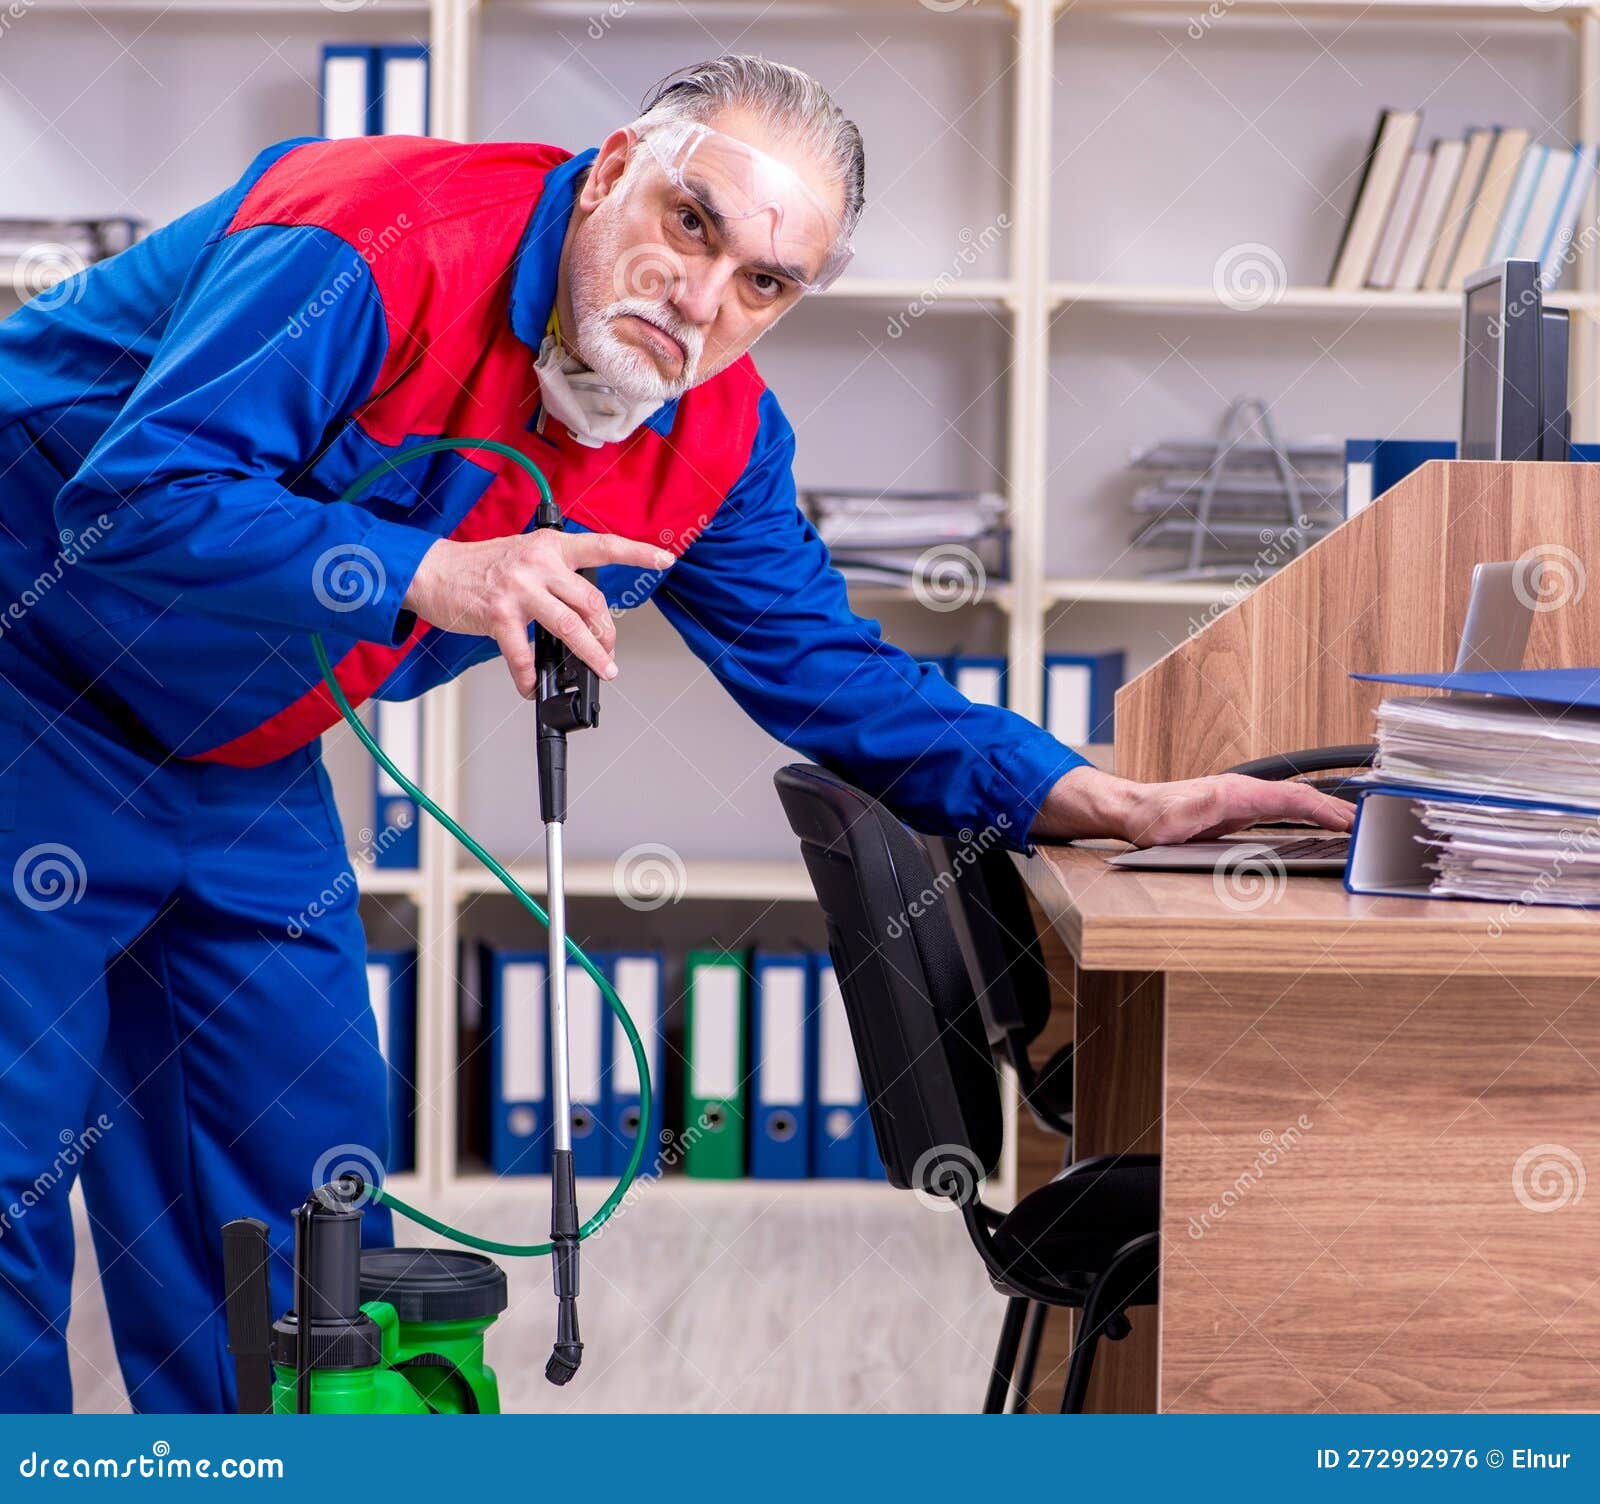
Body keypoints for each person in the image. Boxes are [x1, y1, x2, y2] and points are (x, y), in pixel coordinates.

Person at [0, 54, 1348, 1412]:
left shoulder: (712, 439)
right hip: (27, 661)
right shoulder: (372, 240)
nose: (701, 300)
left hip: (239, 745)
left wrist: (1092, 794)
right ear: (608, 170)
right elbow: (131, 503)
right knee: (11, 1166)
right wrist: (432, 571)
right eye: (691, 222)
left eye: (766, 284)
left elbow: (826, 669)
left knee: (305, 1202)